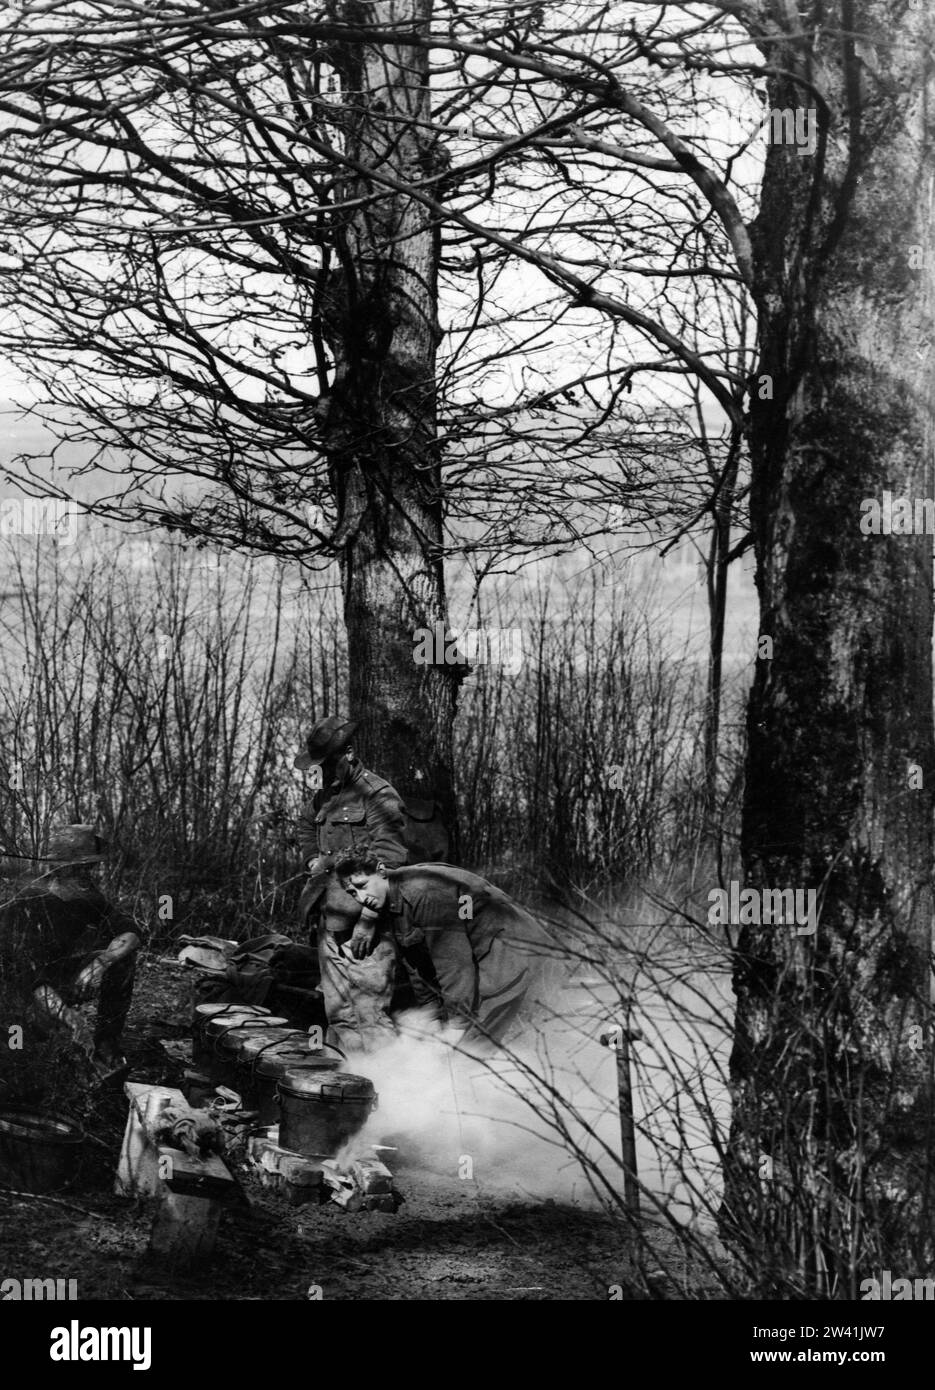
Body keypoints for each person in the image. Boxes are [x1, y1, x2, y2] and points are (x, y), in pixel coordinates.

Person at [334, 853, 537, 1053]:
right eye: (352, 893)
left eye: (362, 886)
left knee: (468, 1053)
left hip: (515, 954)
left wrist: (457, 1024)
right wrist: (431, 1014)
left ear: (381, 871)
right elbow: (415, 961)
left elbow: (453, 962)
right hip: (487, 960)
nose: (361, 898)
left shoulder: (424, 892)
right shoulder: (391, 898)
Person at [0, 825, 140, 1101]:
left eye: (90, 869)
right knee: (23, 1079)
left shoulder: (85, 897)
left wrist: (101, 962)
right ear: (64, 869)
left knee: (122, 960)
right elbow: (31, 982)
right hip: (16, 997)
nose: (89, 876)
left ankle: (106, 1048)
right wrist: (72, 1020)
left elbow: (129, 931)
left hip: (52, 983)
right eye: (84, 869)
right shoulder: (27, 904)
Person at [294, 715, 408, 1052]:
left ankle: (391, 1094)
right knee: (339, 1016)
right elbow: (305, 825)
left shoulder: (377, 794)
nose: (324, 771)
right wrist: (312, 858)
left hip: (364, 926)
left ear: (349, 752)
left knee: (370, 1017)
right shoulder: (328, 797)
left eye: (329, 762)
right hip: (329, 919)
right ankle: (347, 1091)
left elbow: (390, 860)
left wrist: (368, 921)